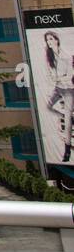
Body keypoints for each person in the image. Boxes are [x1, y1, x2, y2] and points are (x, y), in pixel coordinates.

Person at [41, 31, 74, 162]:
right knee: (47, 106)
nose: (49, 42)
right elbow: (49, 73)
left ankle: (67, 149)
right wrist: (53, 79)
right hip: (58, 87)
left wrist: (57, 78)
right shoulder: (49, 55)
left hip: (68, 89)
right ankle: (67, 116)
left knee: (67, 120)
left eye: (50, 39)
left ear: (56, 39)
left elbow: (70, 76)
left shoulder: (66, 56)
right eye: (47, 40)